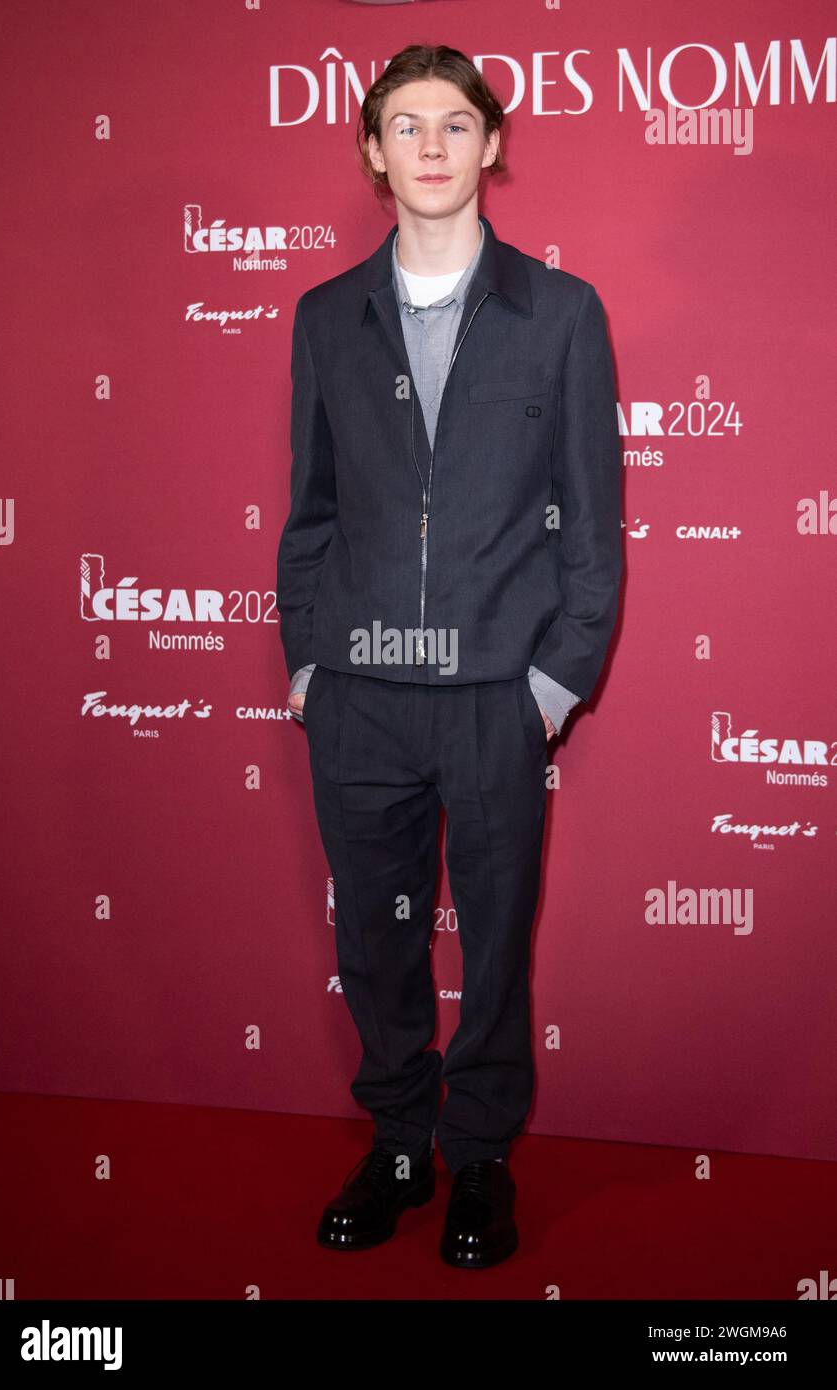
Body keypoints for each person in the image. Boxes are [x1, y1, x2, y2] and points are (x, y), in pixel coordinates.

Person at [276, 43, 622, 1269]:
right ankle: (401, 1145)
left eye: (454, 124)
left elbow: (591, 523)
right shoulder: (325, 316)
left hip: (491, 698)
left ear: (490, 146)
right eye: (405, 126)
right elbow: (309, 513)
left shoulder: (561, 313)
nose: (430, 146)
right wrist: (310, 666)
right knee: (373, 937)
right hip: (359, 692)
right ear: (372, 151)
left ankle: (477, 1158)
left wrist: (549, 684)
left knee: (494, 938)